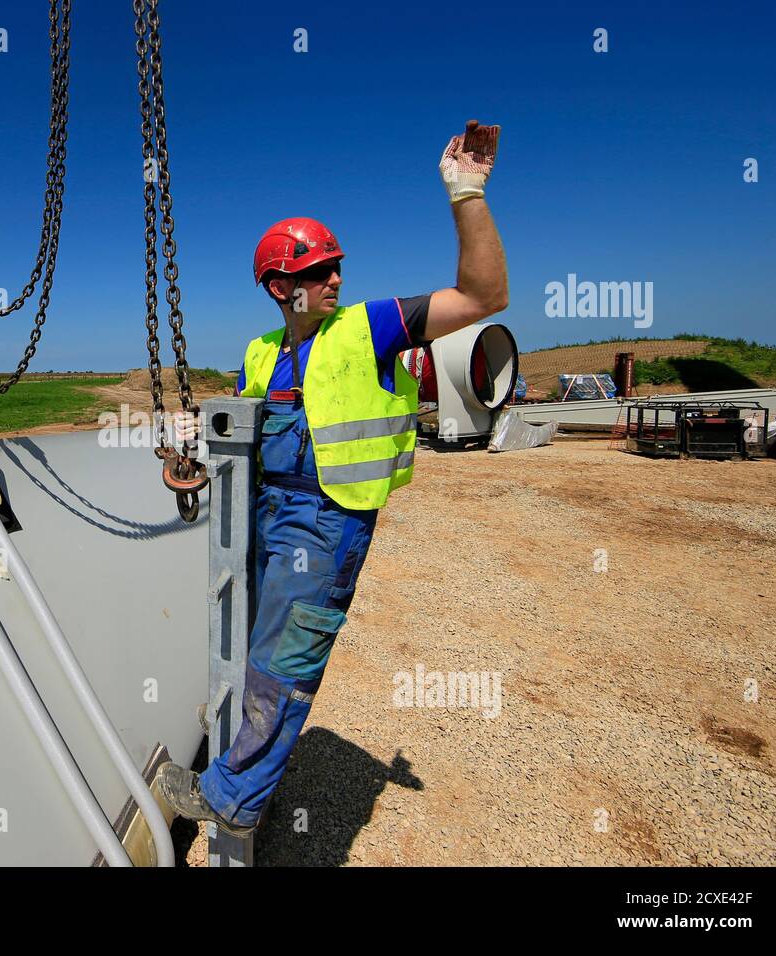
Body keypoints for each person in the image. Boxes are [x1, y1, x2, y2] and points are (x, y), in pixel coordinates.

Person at [153, 121, 509, 836]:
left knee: (284, 663)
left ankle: (233, 799)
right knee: (248, 640)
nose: (335, 278)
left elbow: (482, 298)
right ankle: (242, 746)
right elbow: (244, 433)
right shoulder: (259, 352)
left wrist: (466, 193)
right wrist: (192, 450)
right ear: (282, 286)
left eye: (337, 266)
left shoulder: (370, 327)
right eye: (319, 271)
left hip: (327, 520)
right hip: (262, 513)